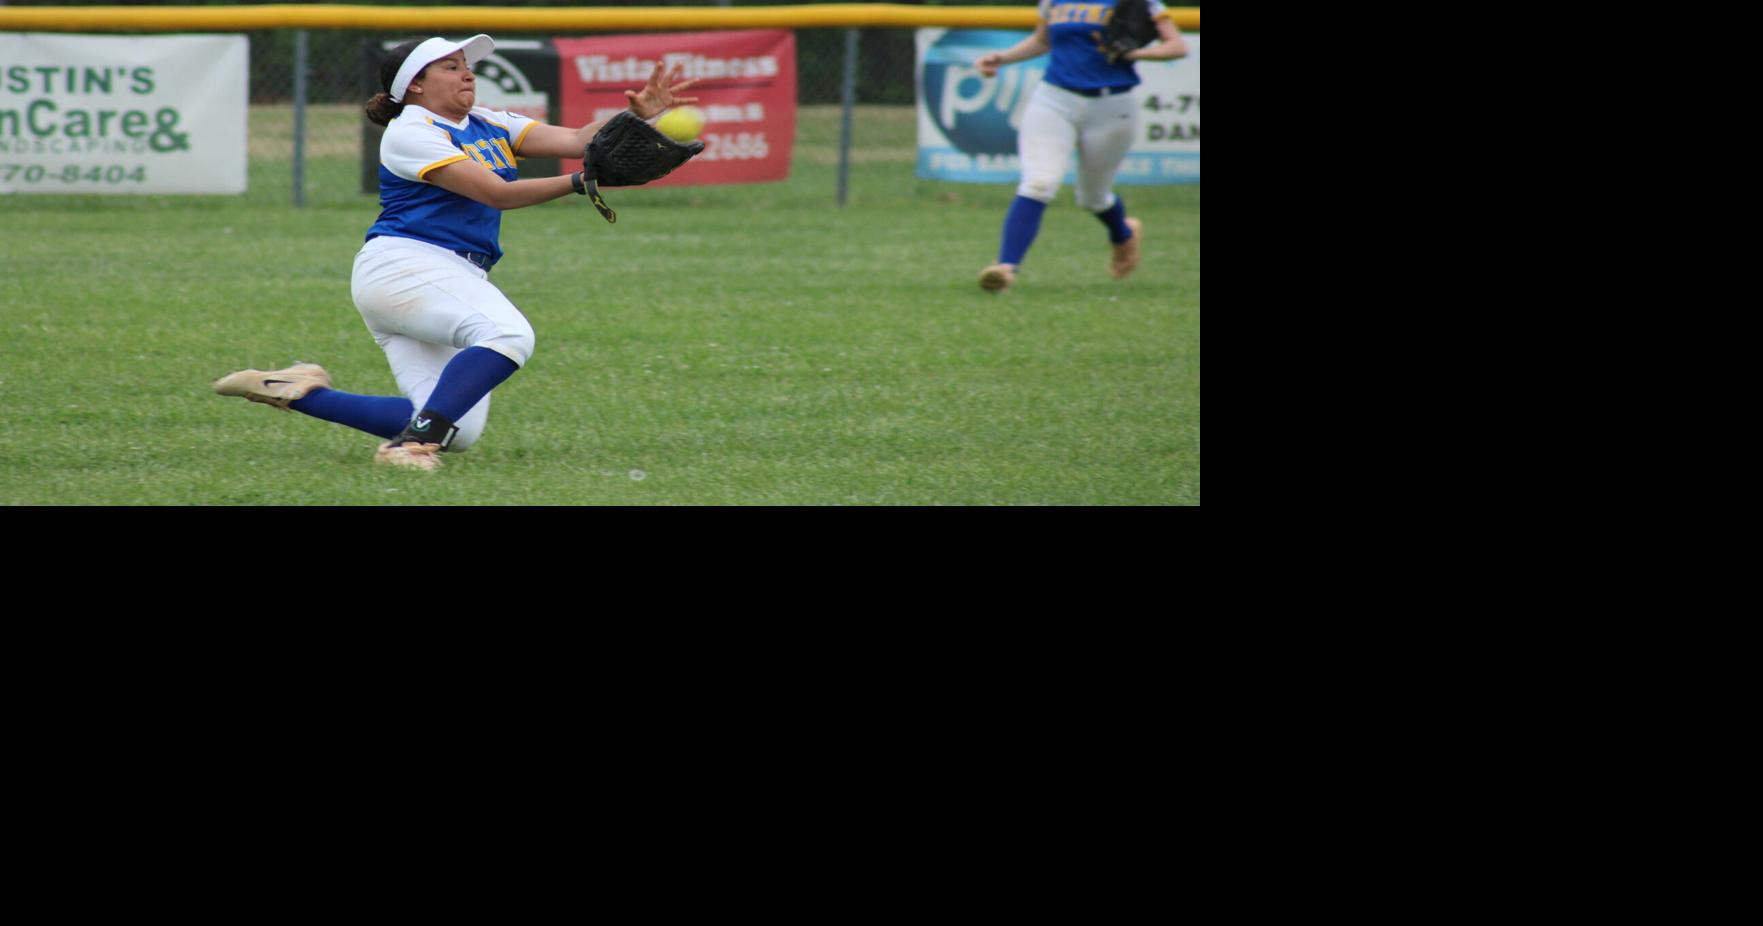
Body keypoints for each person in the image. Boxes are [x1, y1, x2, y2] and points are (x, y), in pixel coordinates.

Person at [212, 34, 697, 470]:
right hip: (405, 267)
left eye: (466, 64)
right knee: (508, 334)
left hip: (439, 277)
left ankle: (297, 391)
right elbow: (497, 194)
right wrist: (580, 182)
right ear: (415, 86)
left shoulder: (487, 122)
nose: (467, 72)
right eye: (449, 66)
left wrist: (637, 116)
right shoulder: (412, 131)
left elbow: (574, 140)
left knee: (457, 430)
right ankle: (409, 446)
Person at [974, 1, 1188, 292]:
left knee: (1093, 197)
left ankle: (1123, 234)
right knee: (1038, 182)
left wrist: (1137, 53)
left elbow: (1176, 46)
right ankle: (1005, 269)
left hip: (1112, 106)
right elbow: (1042, 39)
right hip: (1054, 98)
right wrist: (1003, 57)